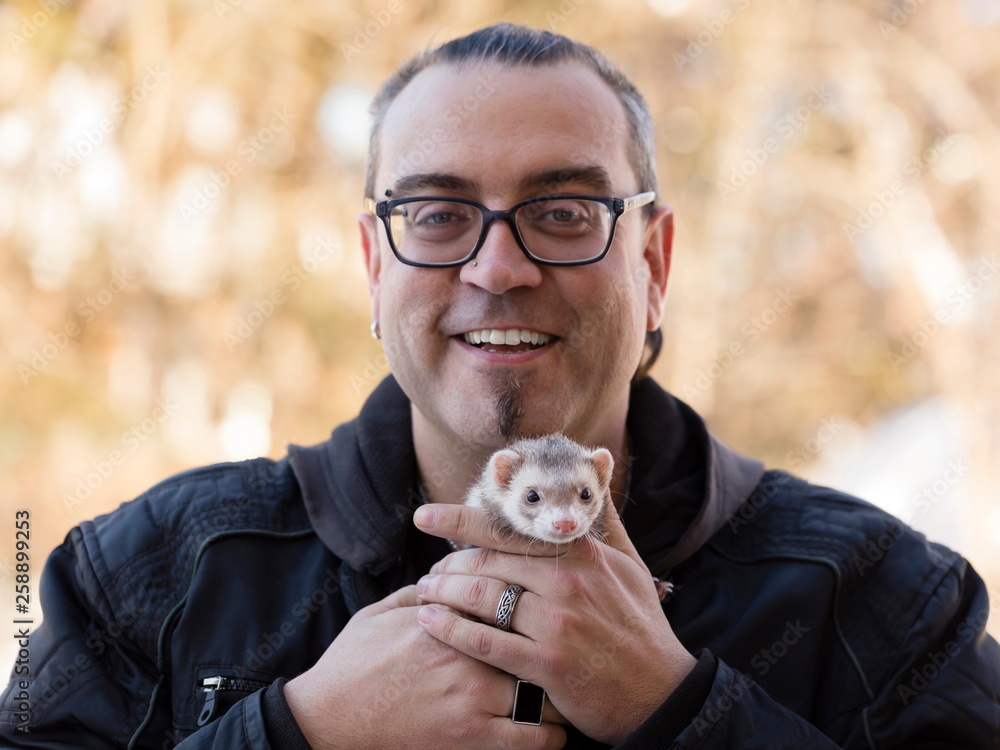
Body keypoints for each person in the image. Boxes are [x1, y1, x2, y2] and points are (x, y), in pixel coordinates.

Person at [2, 22, 999, 750]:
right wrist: (296, 731)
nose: (498, 268)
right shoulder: (146, 579)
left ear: (653, 264)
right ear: (374, 268)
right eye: (438, 215)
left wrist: (684, 713)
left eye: (563, 213)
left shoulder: (884, 602)